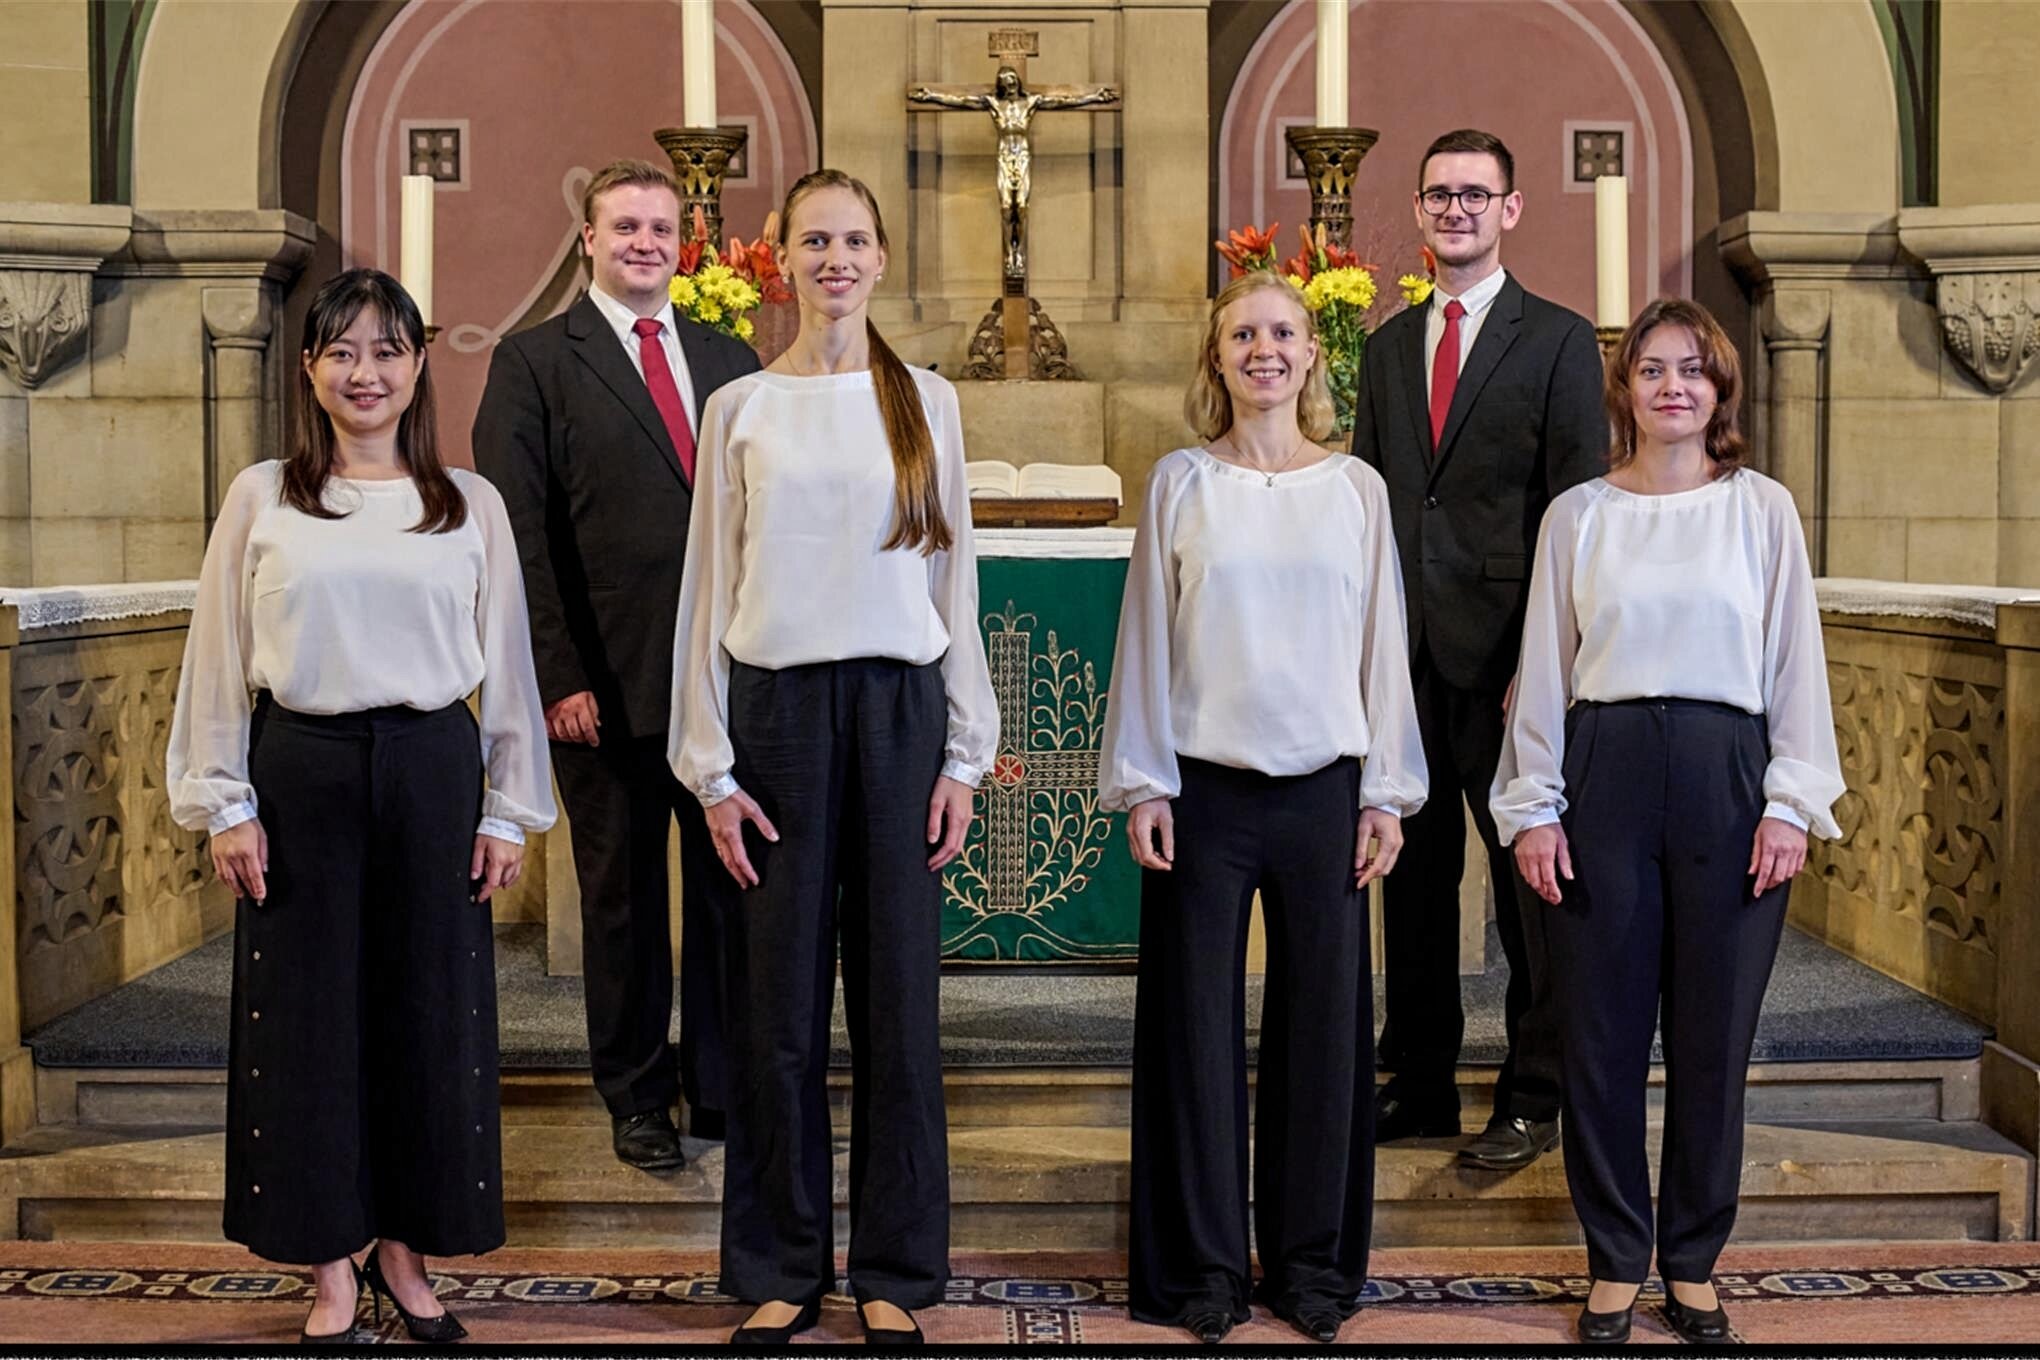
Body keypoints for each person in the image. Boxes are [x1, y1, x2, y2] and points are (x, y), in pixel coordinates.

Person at [167, 268, 555, 1343]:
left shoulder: (467, 502)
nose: (365, 372)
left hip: (433, 765)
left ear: (420, 363)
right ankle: (330, 1259)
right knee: (308, 1025)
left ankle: (408, 1251)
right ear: (310, 368)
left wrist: (506, 808)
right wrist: (224, 801)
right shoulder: (264, 495)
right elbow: (218, 657)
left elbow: (511, 662)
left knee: (429, 1018)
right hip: (301, 771)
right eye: (342, 351)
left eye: (387, 350)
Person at [669, 168, 997, 1348]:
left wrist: (962, 756)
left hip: (901, 712)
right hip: (778, 722)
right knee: (779, 1010)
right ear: (780, 256)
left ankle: (898, 1266)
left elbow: (953, 581)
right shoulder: (741, 407)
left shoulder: (929, 403)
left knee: (900, 1007)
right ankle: (779, 1257)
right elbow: (711, 585)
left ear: (881, 255)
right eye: (815, 240)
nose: (836, 260)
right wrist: (710, 767)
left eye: (855, 240)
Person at [1492, 297, 1844, 1344]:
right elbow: (1545, 674)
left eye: (1693, 369)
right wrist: (1532, 810)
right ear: (1627, 389)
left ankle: (1691, 1260)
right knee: (1598, 1034)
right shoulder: (1579, 515)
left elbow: (1795, 668)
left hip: (1728, 780)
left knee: (1710, 1037)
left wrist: (1790, 802)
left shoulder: (1762, 510)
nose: (1674, 386)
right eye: (1652, 369)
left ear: (1720, 390)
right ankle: (1614, 1259)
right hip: (1601, 777)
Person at [1099, 270, 1427, 1346]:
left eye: (1283, 331)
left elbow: (1384, 645)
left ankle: (1312, 1263)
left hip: (1327, 787)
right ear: (1218, 358)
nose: (1265, 350)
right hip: (1204, 787)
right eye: (1244, 334)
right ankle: (1200, 1266)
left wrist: (1387, 789)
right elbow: (1146, 633)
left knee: (1325, 1033)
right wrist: (1144, 777)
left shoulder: (1357, 489)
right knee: (1194, 1031)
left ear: (1312, 356)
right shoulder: (1181, 484)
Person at [473, 158, 761, 1171]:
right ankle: (637, 1094)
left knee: (735, 889)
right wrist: (557, 675)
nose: (645, 243)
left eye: (661, 228)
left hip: (725, 680)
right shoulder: (537, 359)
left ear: (684, 245)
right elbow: (519, 530)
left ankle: (723, 1086)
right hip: (607, 680)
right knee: (625, 898)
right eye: (625, 227)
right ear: (588, 240)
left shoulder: (733, 360)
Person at [1352, 128, 1607, 1169]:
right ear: (1418, 213)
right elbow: (1370, 512)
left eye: (1475, 194)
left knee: (1527, 890)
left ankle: (1534, 1092)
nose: (1455, 209)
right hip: (1406, 661)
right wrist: (1367, 659)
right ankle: (1417, 1085)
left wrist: (1541, 666)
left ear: (1510, 210)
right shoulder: (1383, 348)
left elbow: (1576, 511)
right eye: (1438, 195)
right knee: (1409, 887)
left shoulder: (1557, 339)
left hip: (1509, 663)